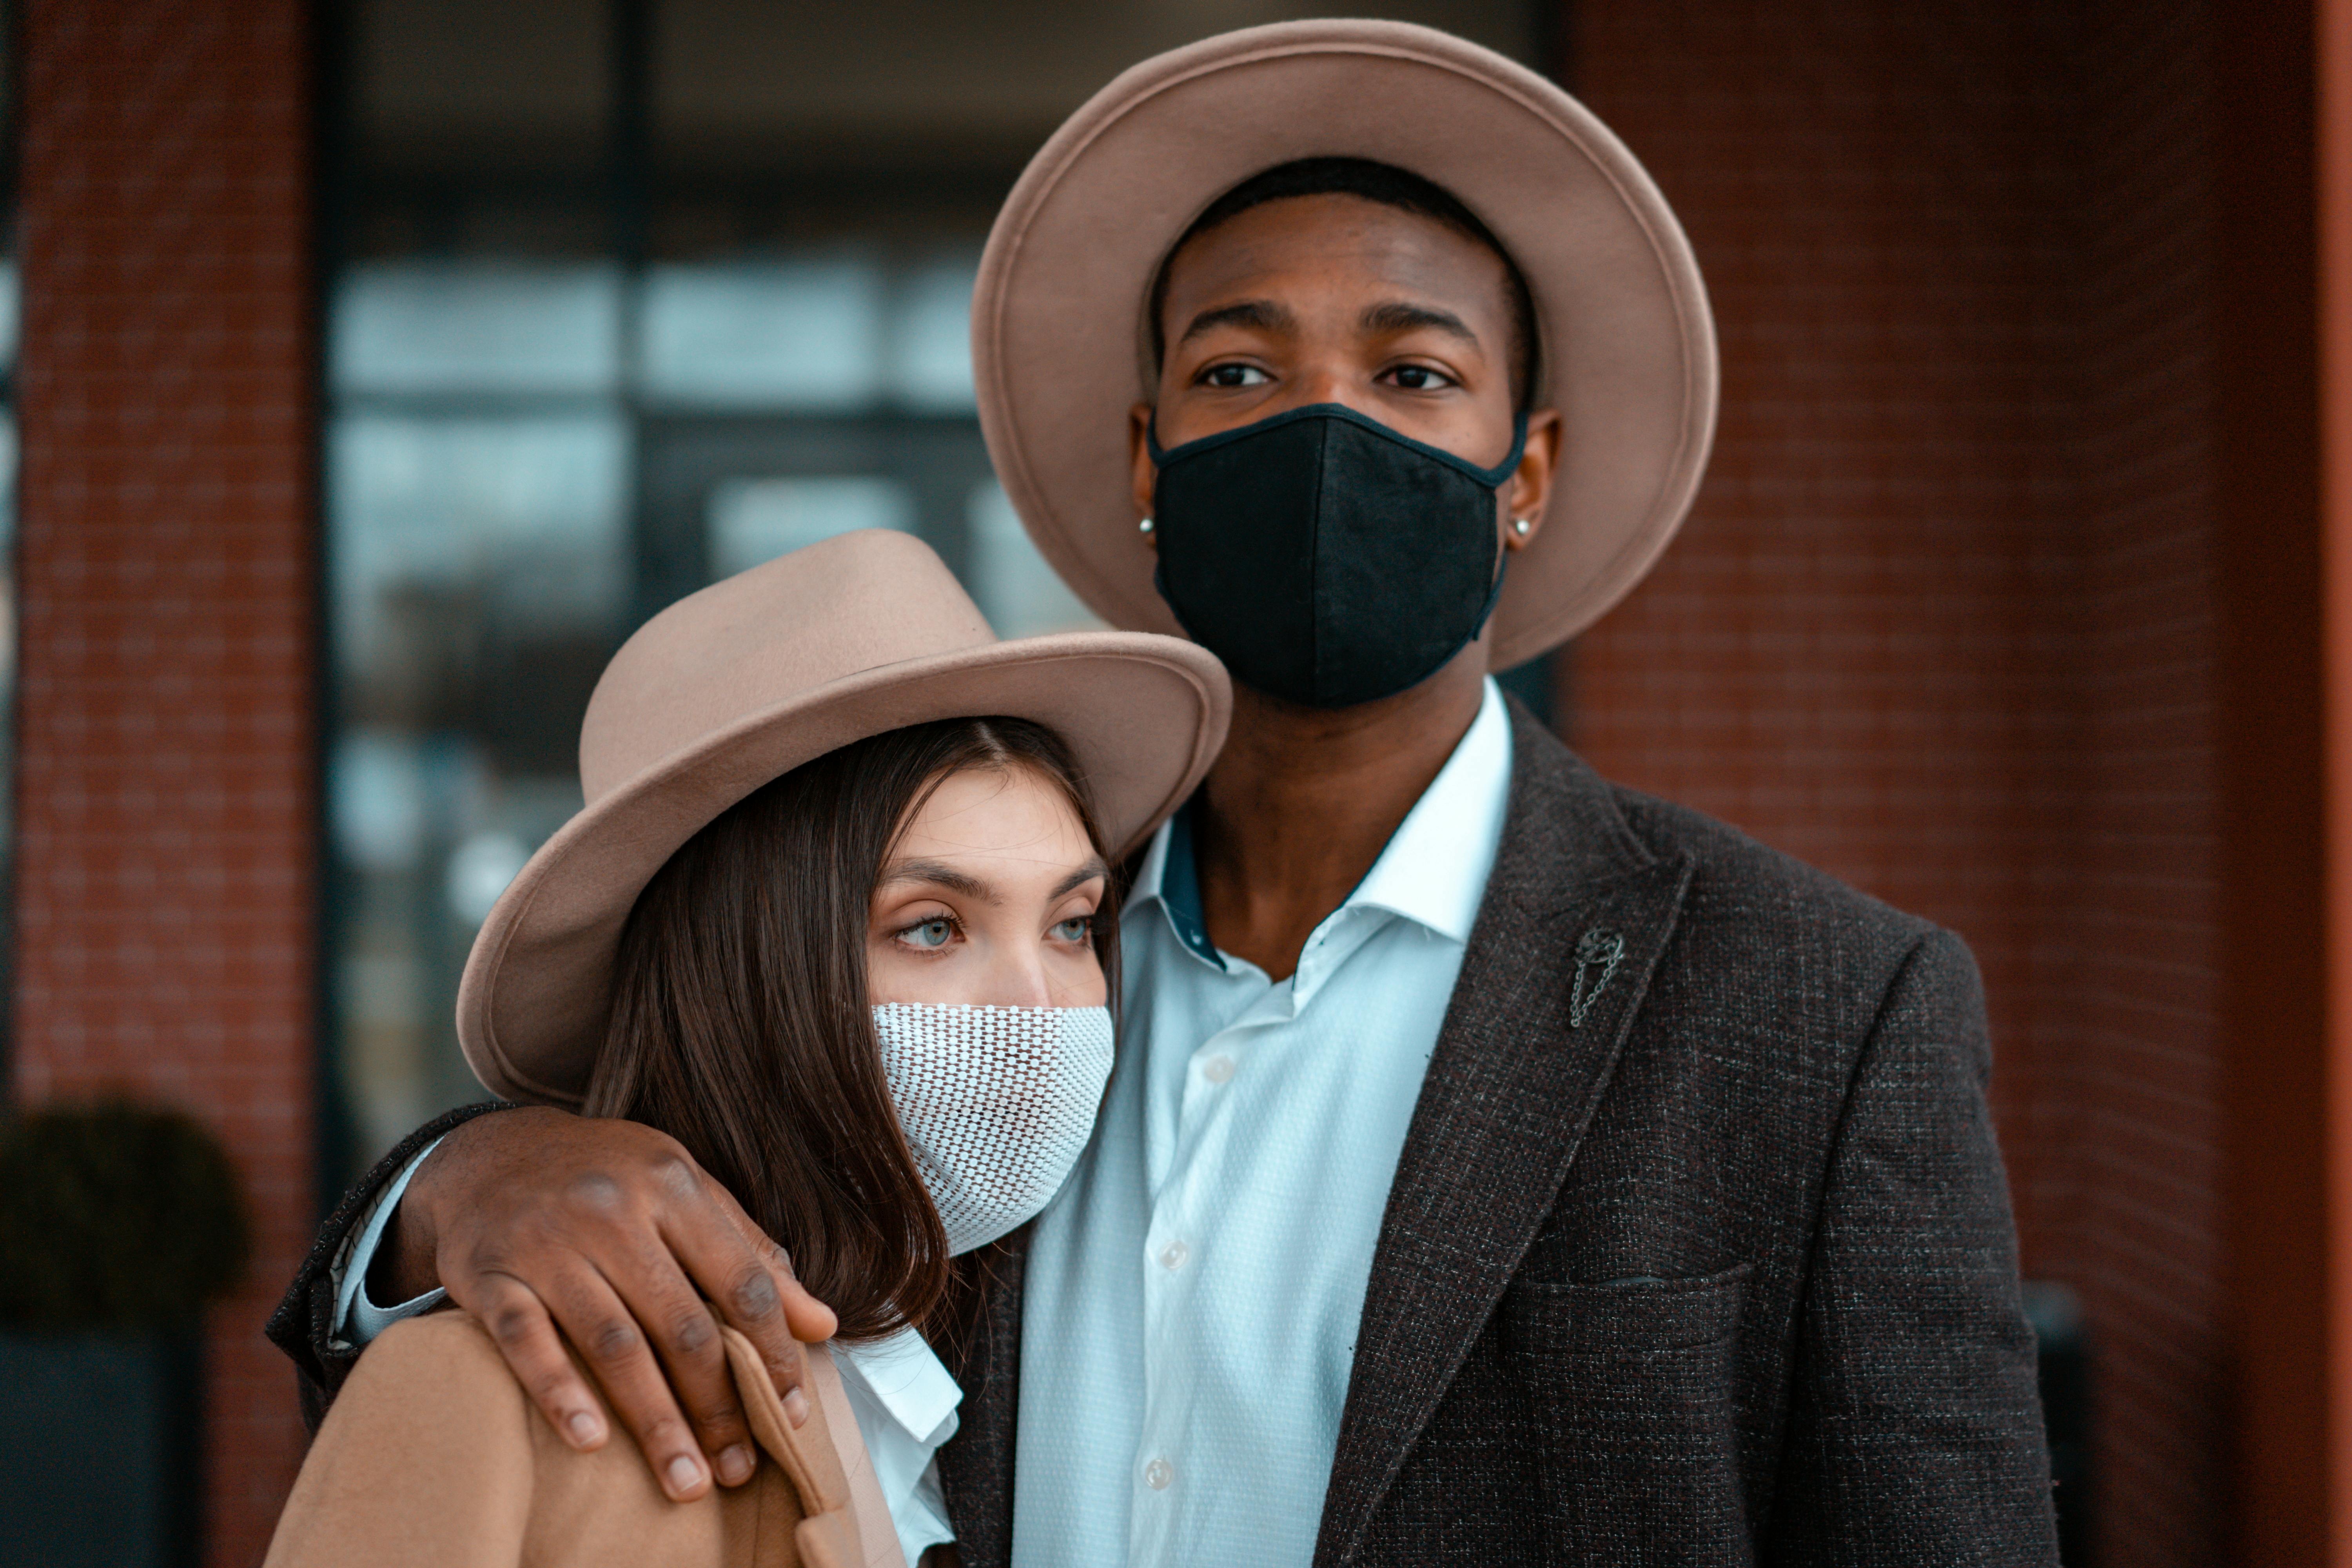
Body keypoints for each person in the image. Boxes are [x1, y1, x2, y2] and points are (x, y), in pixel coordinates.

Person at [271, 21, 2061, 1566]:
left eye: (1416, 373)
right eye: (1239, 370)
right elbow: (693, 1139)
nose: (1323, 425)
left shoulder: (1818, 1011)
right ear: (1148, 458)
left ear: (1527, 474)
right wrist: (468, 1176)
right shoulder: (986, 953)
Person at [262, 529, 1228, 1568]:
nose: (1039, 1006)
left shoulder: (1007, 1347)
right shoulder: (503, 1388)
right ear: (741, 971)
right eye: (933, 927)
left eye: (1072, 923)